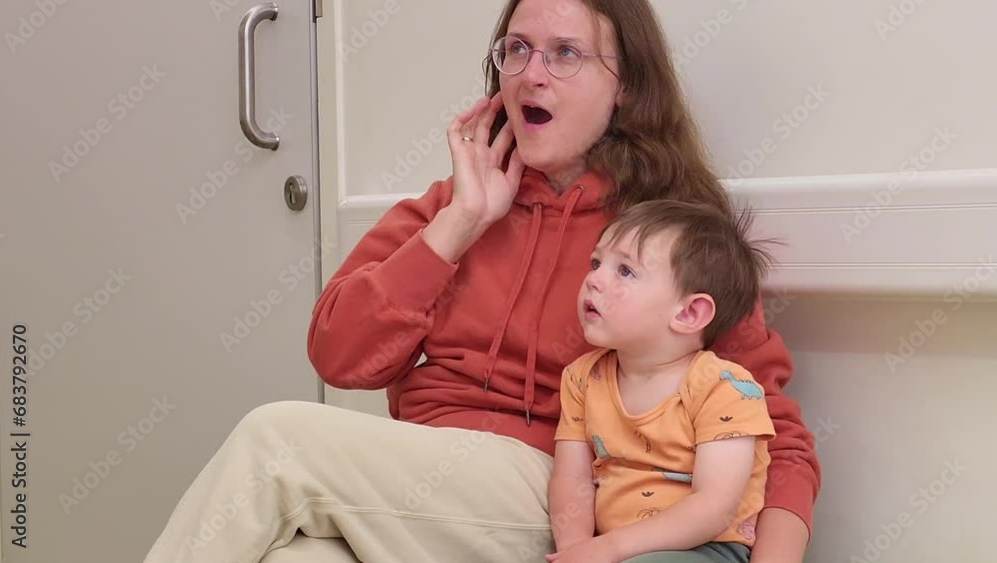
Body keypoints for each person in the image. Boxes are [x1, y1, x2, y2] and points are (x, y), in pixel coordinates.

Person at [143, 0, 820, 562]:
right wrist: (462, 220)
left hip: (558, 486)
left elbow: (775, 429)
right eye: (516, 50)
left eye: (565, 53)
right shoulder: (454, 201)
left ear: (627, 87)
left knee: (277, 441)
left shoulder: (663, 237)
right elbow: (337, 352)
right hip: (431, 486)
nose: (532, 74)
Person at [545, 199, 778, 563]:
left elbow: (714, 507)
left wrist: (608, 549)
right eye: (596, 263)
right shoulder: (582, 378)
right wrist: (575, 548)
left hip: (704, 549)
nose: (593, 279)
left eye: (625, 271)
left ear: (688, 313)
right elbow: (571, 480)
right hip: (610, 547)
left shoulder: (724, 388)